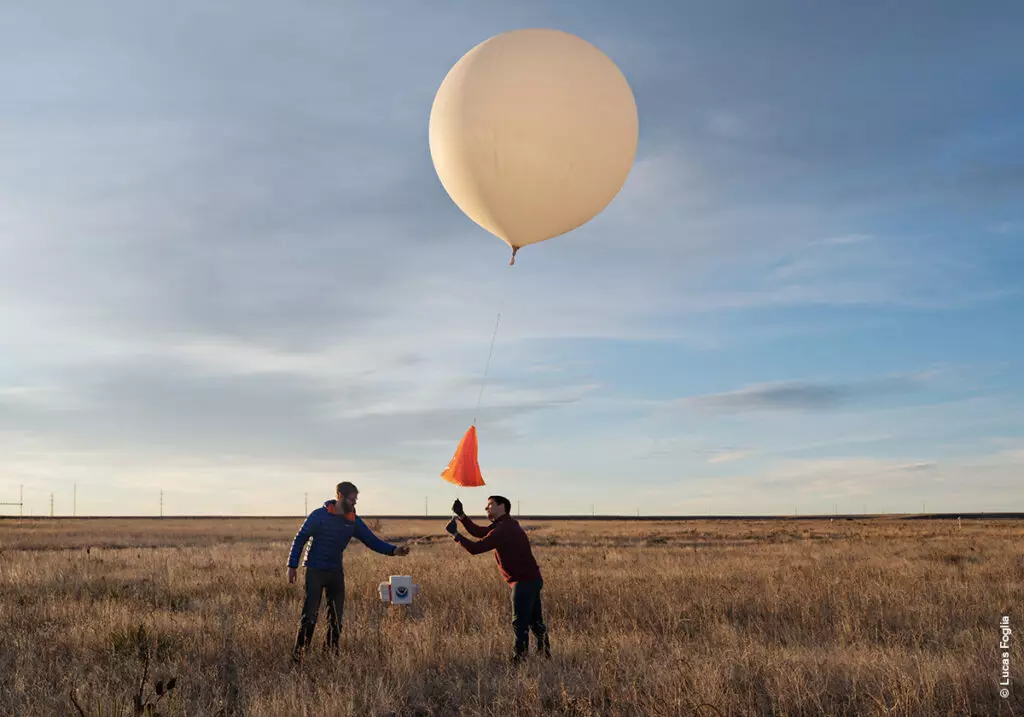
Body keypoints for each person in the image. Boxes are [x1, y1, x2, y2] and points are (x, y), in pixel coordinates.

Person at [287, 481, 409, 661]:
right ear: (340, 497)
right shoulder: (318, 516)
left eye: (356, 500)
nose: (355, 504)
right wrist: (292, 566)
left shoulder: (352, 520)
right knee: (310, 615)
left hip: (335, 572)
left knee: (336, 618)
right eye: (352, 500)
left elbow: (371, 541)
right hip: (314, 570)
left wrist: (394, 551)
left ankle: (330, 657)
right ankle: (299, 657)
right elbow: (300, 539)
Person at [446, 495, 550, 663]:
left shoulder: (504, 529)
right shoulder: (506, 525)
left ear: (502, 506)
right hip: (532, 579)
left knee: (520, 622)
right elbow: (480, 532)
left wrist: (456, 535)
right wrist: (462, 516)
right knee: (535, 620)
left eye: (490, 505)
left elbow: (476, 548)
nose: (486, 508)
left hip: (523, 582)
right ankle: (545, 655)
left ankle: (520, 660)